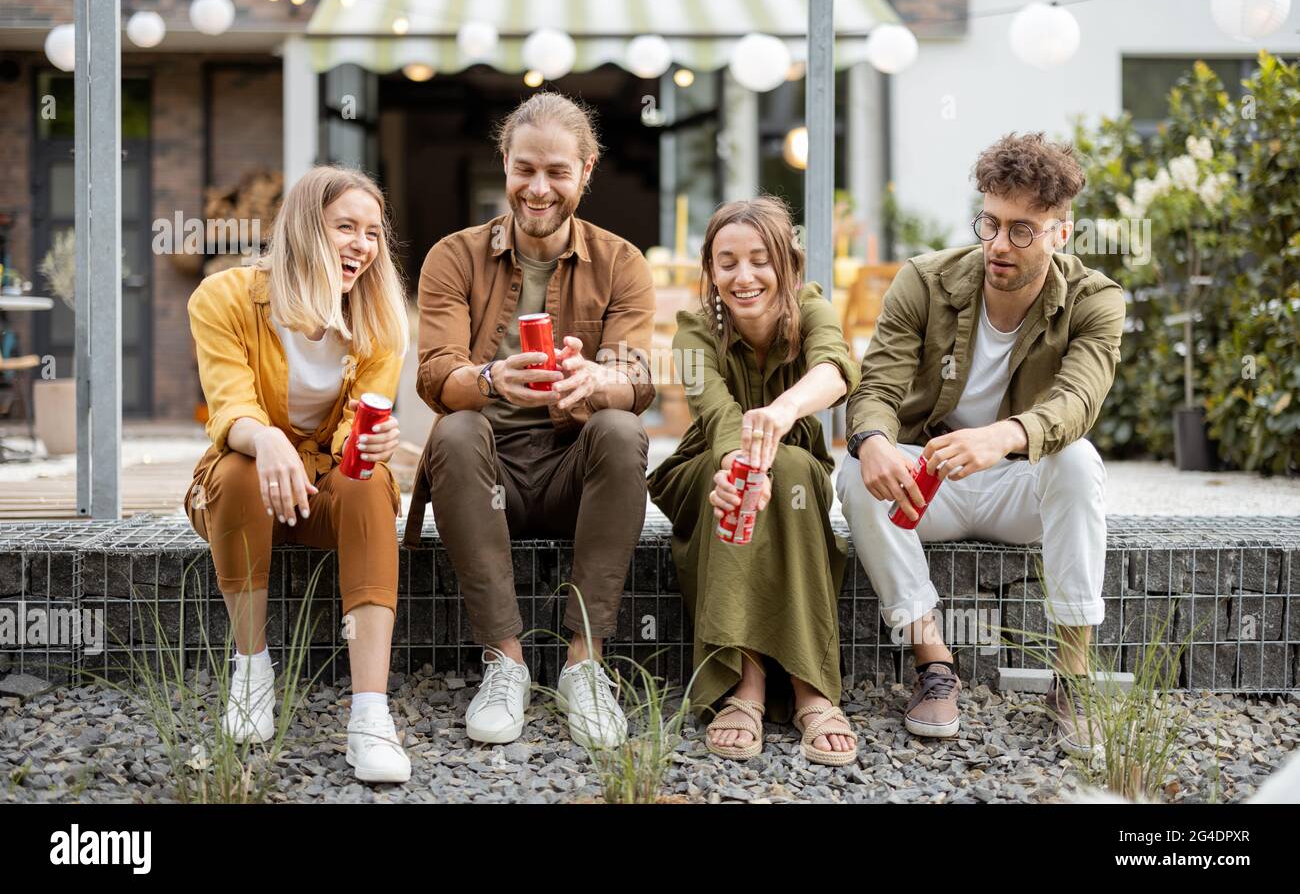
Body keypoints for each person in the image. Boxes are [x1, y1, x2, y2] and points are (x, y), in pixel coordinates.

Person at [835, 133, 1125, 757]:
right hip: (930, 486)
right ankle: (933, 664)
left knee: (1078, 460)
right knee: (855, 470)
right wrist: (875, 441)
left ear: (1061, 234)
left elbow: (1078, 401)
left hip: (1020, 487)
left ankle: (1072, 680)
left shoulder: (1095, 299)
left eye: (1023, 230)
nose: (999, 243)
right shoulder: (925, 280)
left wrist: (1003, 437)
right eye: (990, 223)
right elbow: (875, 386)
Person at [406, 92, 655, 750]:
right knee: (455, 428)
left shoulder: (621, 262)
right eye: (525, 169)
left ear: (587, 170)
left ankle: (585, 664)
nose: (538, 188)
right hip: (487, 475)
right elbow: (434, 375)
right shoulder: (453, 257)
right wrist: (487, 379)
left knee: (623, 429)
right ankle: (505, 660)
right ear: (505, 163)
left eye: (557, 172)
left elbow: (638, 379)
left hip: (575, 470)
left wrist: (600, 380)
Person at [186, 165, 412, 782]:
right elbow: (229, 407)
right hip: (244, 488)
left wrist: (373, 440)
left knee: (368, 480)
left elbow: (355, 432)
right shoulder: (224, 297)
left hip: (325, 492)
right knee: (237, 469)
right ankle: (252, 673)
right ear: (305, 228)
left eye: (372, 232)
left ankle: (369, 713)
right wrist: (267, 442)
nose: (362, 246)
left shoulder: (379, 319)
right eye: (346, 227)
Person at [647, 196, 861, 766]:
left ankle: (809, 683)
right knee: (754, 486)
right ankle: (748, 682)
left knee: (789, 468)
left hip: (792, 470)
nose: (743, 277)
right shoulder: (694, 331)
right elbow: (717, 416)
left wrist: (781, 413)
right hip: (708, 470)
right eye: (727, 262)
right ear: (711, 271)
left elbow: (836, 369)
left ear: (787, 264)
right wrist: (739, 469)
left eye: (760, 260)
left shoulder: (812, 308)